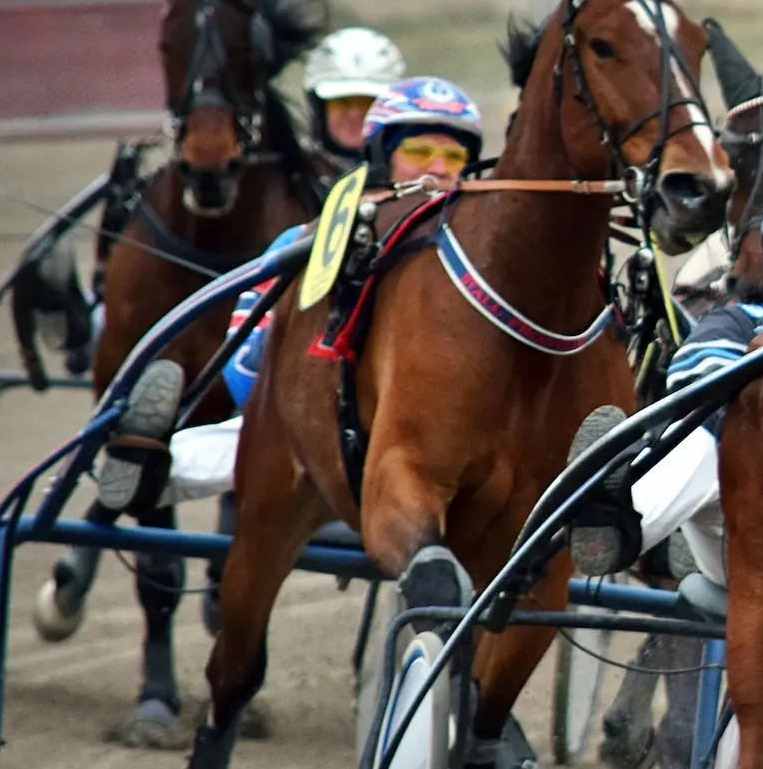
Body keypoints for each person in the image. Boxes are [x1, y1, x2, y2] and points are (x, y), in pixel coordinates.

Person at [93, 75, 485, 515]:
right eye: (418, 152)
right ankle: (148, 467)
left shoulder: (482, 260)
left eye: (454, 156)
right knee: (260, 438)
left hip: (442, 437)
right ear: (381, 156)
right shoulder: (309, 241)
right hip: (327, 427)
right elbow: (244, 369)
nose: (437, 168)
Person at [567, 156, 763, 621]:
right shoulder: (744, 321)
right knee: (702, 433)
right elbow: (695, 383)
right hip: (761, 546)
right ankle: (614, 523)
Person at [303, 26, 407, 164]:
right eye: (342, 102)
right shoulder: (287, 177)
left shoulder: (422, 175)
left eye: (368, 104)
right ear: (318, 108)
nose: (354, 114)